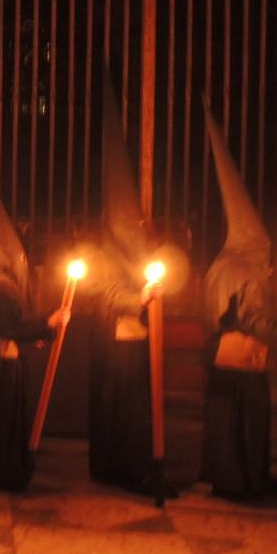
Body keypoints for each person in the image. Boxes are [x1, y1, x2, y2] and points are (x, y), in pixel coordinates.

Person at [0, 106, 67, 490]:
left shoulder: (3, 282)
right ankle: (0, 472)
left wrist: (37, 330)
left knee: (10, 419)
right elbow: (7, 323)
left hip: (7, 363)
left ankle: (8, 468)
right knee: (0, 420)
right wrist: (46, 324)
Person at [200, 102, 277, 500]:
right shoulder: (245, 268)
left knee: (225, 421)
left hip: (219, 354)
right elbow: (251, 315)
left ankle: (229, 478)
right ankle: (246, 482)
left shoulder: (221, 264)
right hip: (241, 358)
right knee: (249, 420)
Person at [86, 78, 165, 496]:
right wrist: (140, 297)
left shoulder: (135, 250)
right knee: (121, 408)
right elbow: (110, 294)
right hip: (116, 345)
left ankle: (135, 463)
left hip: (137, 343)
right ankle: (119, 466)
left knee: (137, 407)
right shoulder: (103, 253)